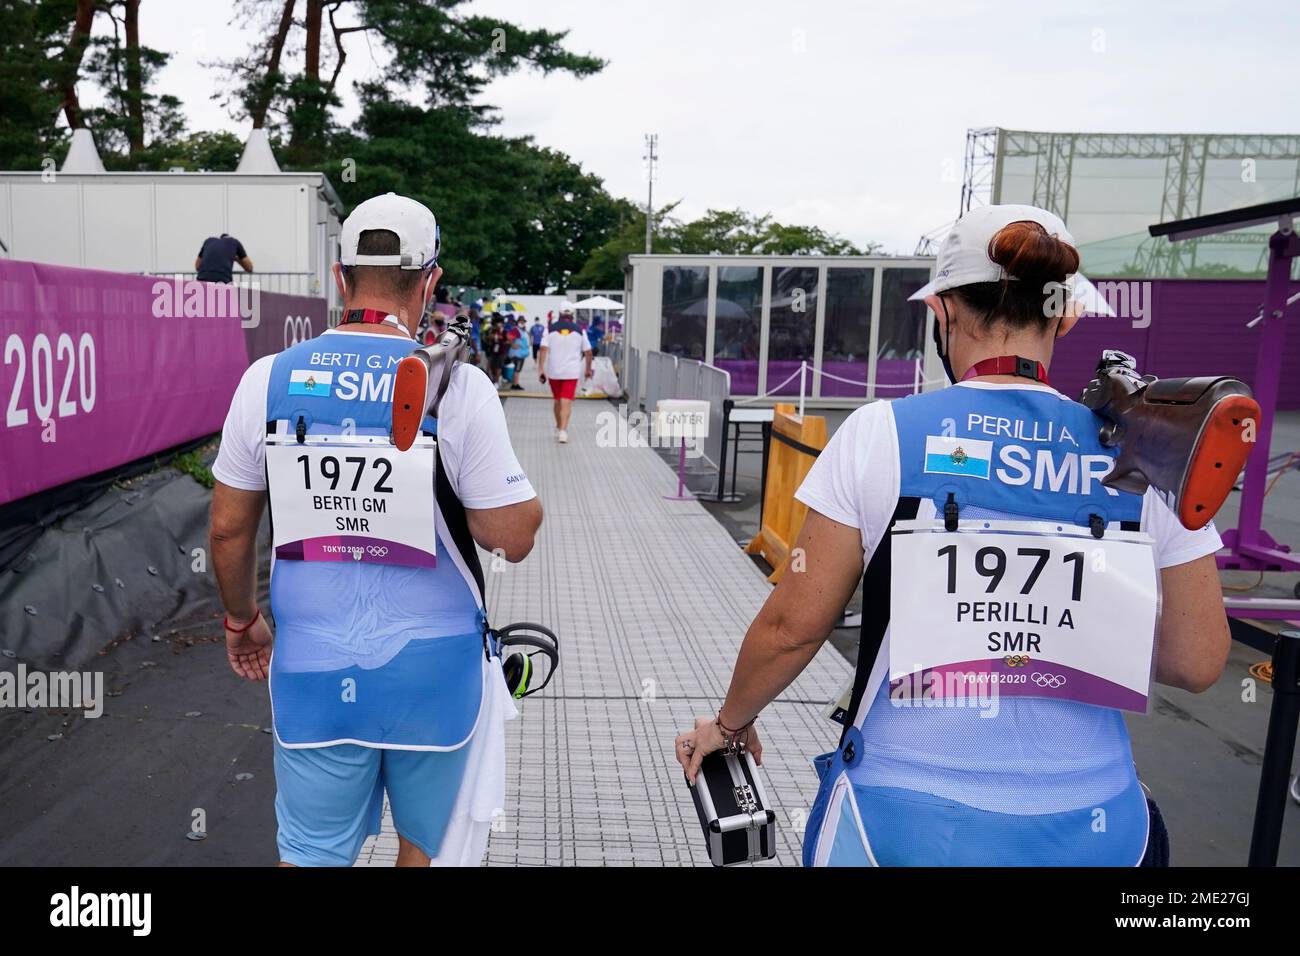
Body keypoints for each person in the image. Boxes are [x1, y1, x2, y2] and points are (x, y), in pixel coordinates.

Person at [674, 205, 1231, 867]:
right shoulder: (1146, 453)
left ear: (941, 312)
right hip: (1098, 824)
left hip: (901, 820)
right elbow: (1197, 661)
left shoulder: (882, 434)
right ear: (1067, 314)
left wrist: (730, 724)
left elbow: (793, 626)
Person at [209, 192, 543, 867]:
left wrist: (243, 620)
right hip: (436, 673)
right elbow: (511, 535)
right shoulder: (457, 387)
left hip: (314, 668)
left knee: (310, 853)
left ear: (339, 278)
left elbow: (227, 532)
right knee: (425, 849)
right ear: (431, 282)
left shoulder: (267, 380)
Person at [537, 302, 592, 444]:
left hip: (554, 371)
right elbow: (588, 352)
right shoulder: (580, 330)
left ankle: (560, 427)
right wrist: (587, 369)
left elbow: (543, 349)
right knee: (565, 401)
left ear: (560, 314)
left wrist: (541, 369)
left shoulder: (549, 329)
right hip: (572, 372)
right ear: (572, 315)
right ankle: (563, 430)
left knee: (558, 401)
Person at [509, 316, 530, 388]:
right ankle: (515, 384)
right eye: (521, 322)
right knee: (517, 369)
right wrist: (512, 345)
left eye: (523, 322)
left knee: (518, 370)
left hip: (521, 353)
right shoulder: (516, 330)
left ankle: (516, 383)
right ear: (518, 322)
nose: (523, 323)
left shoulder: (523, 330)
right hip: (517, 353)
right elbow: (509, 337)